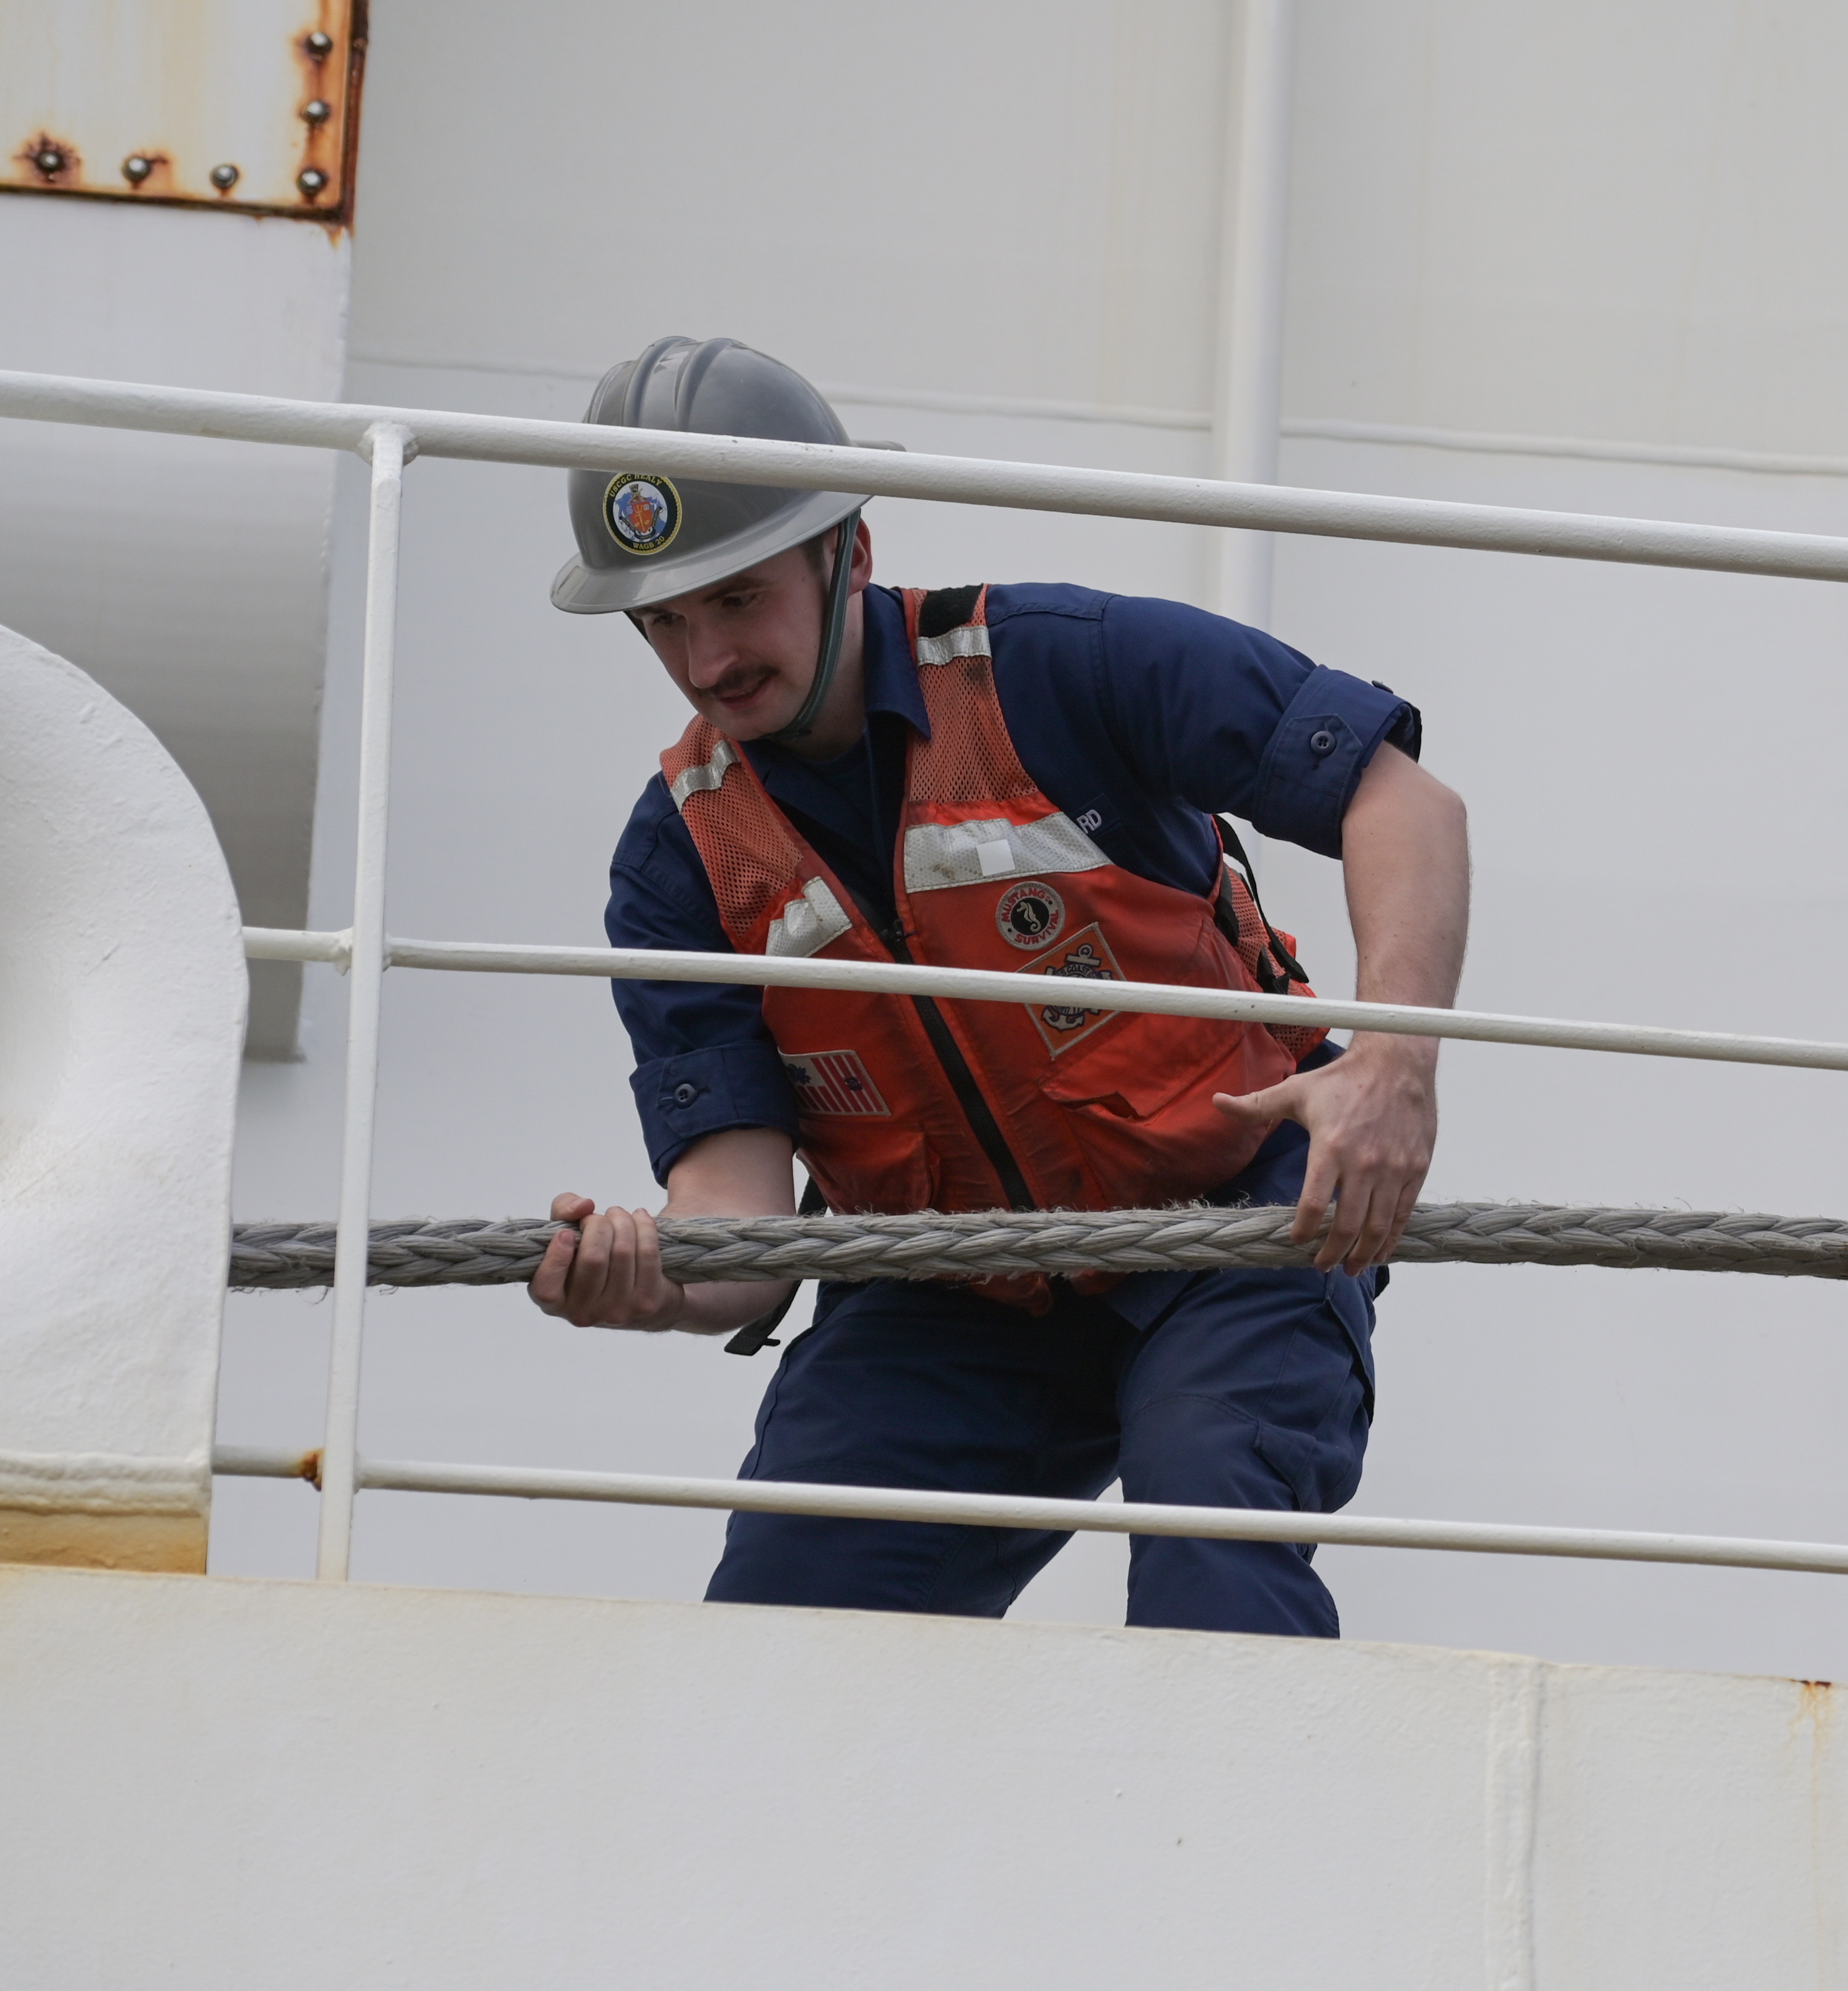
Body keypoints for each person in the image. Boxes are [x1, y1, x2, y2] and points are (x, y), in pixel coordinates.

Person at [524, 337, 1470, 1638]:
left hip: (1224, 1225)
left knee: (1212, 1530)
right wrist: (654, 1285)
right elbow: (736, 1231)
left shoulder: (1061, 667)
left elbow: (1401, 801)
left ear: (845, 551)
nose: (705, 660)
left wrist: (1391, 1066)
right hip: (947, 1287)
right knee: (777, 1635)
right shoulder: (678, 860)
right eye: (663, 621)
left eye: (735, 598)